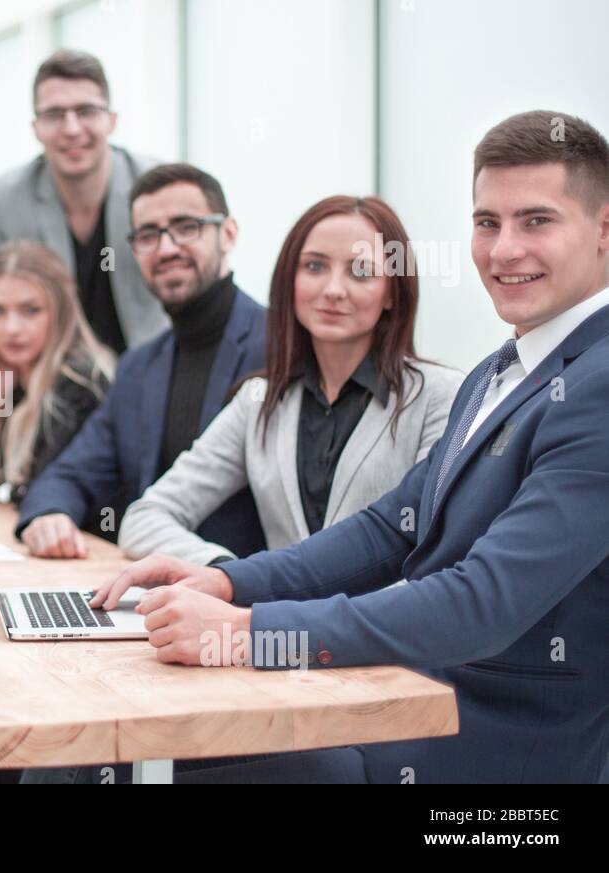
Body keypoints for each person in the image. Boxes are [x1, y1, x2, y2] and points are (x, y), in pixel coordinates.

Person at [88, 110, 609, 784]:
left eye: (536, 220)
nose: (504, 249)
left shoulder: (596, 384)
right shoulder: (499, 370)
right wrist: (227, 579)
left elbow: (482, 602)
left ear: (603, 230)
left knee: (127, 771)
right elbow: (385, 529)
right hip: (394, 703)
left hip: (481, 754)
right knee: (97, 759)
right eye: (487, 222)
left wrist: (246, 632)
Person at [118, 195, 462, 564]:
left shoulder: (441, 396)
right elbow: (144, 518)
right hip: (274, 620)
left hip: (383, 621)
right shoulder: (260, 401)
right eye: (314, 266)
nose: (332, 289)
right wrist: (229, 574)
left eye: (361, 271)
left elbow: (438, 547)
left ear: (393, 292)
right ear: (289, 281)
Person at [16, 163, 268, 559]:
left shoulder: (280, 348)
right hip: (146, 590)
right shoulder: (138, 367)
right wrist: (50, 514)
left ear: (228, 233)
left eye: (187, 227)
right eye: (149, 235)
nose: (167, 248)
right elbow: (72, 473)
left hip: (243, 598)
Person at [0, 50, 164, 371]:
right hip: (53, 388)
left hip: (148, 376)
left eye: (86, 111)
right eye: (54, 115)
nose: (71, 129)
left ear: (111, 121)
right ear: (36, 128)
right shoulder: (7, 197)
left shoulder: (155, 187)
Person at [0, 241, 114, 502]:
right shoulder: (17, 379)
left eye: (30, 310)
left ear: (60, 312)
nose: (11, 328)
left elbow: (42, 496)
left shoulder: (82, 383)